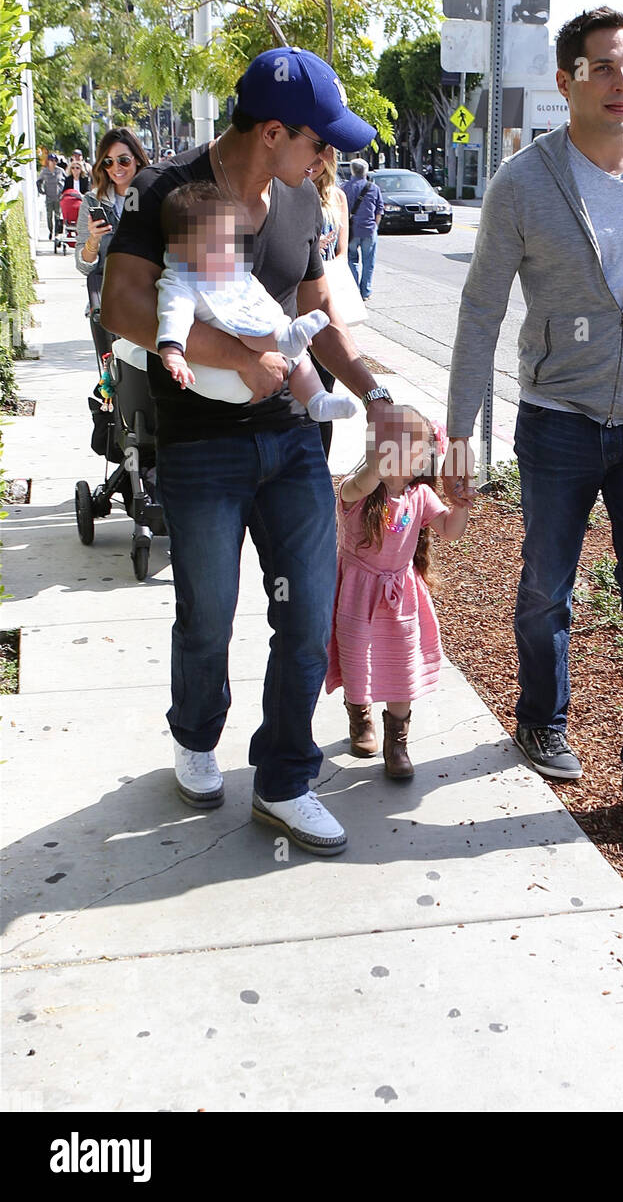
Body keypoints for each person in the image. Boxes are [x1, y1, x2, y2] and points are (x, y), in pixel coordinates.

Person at [100, 45, 408, 858]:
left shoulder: (304, 204)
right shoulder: (169, 193)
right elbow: (124, 302)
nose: (327, 156)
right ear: (273, 131)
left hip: (294, 445)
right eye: (318, 141)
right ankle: (196, 734)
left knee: (304, 616)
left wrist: (375, 397)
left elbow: (321, 319)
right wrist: (236, 358)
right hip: (202, 447)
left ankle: (283, 780)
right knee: (206, 614)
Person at [444, 6, 623, 833]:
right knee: (545, 587)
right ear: (565, 82)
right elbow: (482, 308)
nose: (620, 83)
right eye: (601, 68)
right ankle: (542, 715)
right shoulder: (525, 181)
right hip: (558, 417)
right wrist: (461, 433)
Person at [325, 406, 470, 778]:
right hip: (358, 594)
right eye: (389, 442)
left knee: (402, 667)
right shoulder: (357, 490)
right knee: (357, 663)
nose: (399, 451)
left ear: (424, 454)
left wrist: (460, 506)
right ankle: (360, 719)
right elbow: (362, 481)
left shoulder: (420, 495)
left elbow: (450, 532)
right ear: (374, 447)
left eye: (411, 444)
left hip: (402, 594)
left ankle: (397, 742)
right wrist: (377, 466)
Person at [156, 180, 355, 424]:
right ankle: (285, 339)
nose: (226, 248)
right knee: (255, 334)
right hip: (223, 378)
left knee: (301, 358)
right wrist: (172, 351)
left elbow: (258, 299)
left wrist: (278, 321)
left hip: (268, 368)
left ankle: (317, 400)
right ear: (183, 246)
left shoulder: (230, 270)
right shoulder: (181, 279)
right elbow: (173, 312)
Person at [76, 128, 150, 363]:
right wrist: (93, 239)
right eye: (108, 162)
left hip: (149, 298)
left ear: (137, 159)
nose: (116, 168)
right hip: (109, 304)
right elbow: (84, 266)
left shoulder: (152, 194)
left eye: (123, 160)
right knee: (115, 376)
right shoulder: (92, 201)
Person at [305, 145, 352, 457]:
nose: (315, 163)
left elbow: (342, 253)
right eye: (311, 154)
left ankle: (320, 462)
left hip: (328, 302)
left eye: (323, 156)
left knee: (325, 387)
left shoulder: (337, 197)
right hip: (296, 305)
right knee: (298, 393)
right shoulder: (289, 190)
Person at [342, 157, 383, 300]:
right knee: (368, 262)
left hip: (351, 230)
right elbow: (379, 211)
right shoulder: (374, 188)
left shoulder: (344, 188)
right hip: (369, 229)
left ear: (352, 171)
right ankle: (365, 292)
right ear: (366, 172)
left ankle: (354, 290)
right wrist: (375, 227)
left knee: (351, 259)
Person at [36, 154, 64, 244]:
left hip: (58, 197)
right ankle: (51, 230)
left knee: (58, 215)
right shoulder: (44, 171)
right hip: (49, 196)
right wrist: (41, 190)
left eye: (55, 160)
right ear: (48, 161)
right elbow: (39, 181)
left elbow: (66, 180)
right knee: (49, 215)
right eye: (51, 160)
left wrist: (63, 191)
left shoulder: (60, 171)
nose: (53, 162)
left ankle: (56, 233)